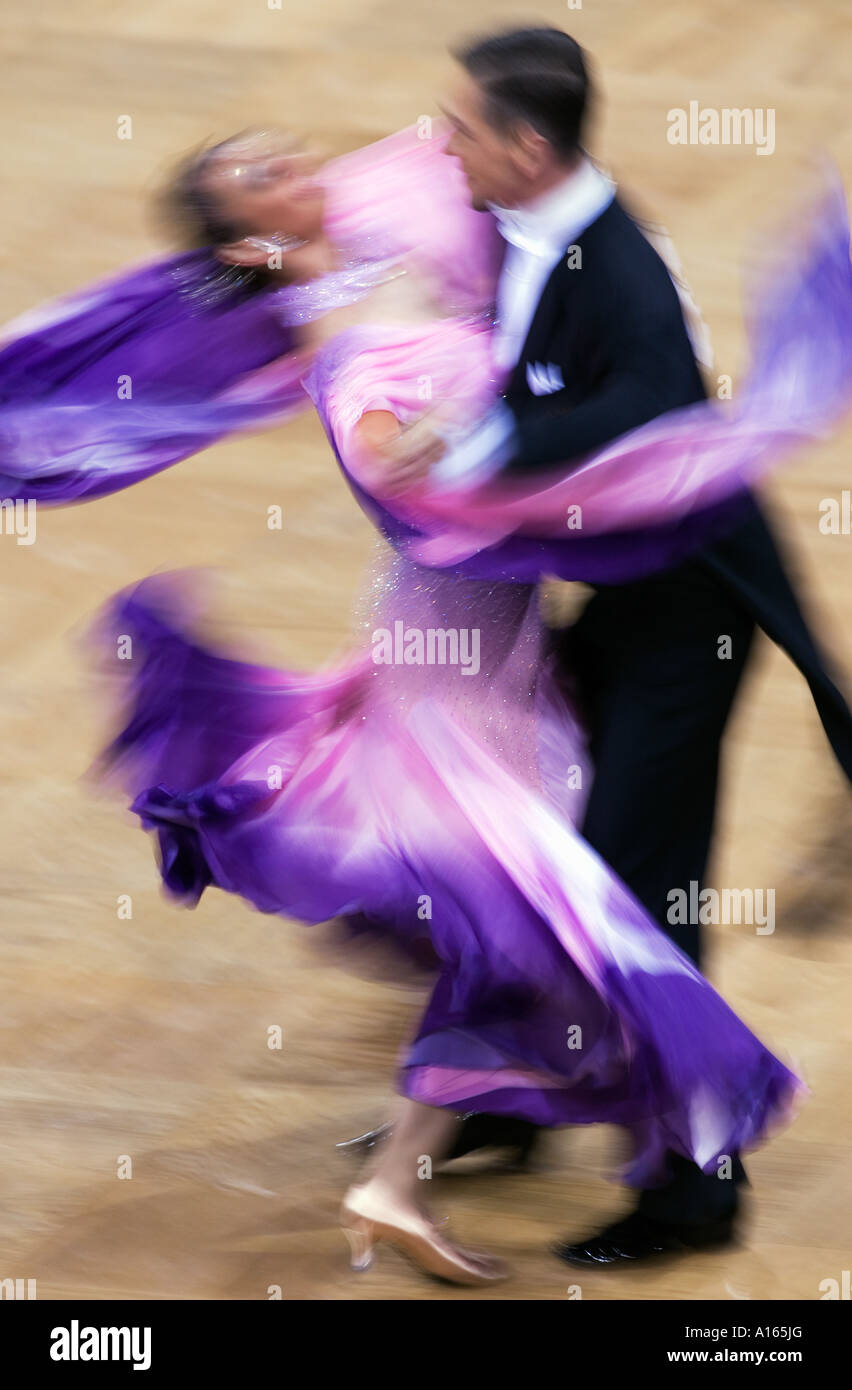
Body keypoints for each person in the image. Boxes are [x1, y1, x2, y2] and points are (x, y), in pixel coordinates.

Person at [3, 110, 850, 1286]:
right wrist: (464, 434)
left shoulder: (391, 249)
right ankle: (456, 1156)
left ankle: (489, 1142)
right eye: (260, 172)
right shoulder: (345, 326)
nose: (296, 161)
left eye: (280, 147)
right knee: (529, 888)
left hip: (525, 633)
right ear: (246, 244)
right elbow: (397, 454)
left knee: (541, 888)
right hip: (465, 645)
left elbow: (453, 236)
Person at [349, 25, 852, 1268]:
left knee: (632, 892)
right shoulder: (520, 222)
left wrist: (468, 444)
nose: (443, 146)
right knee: (523, 847)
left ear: (528, 147)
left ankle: (696, 1190)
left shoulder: (618, 272)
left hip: (688, 628)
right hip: (626, 605)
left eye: (462, 129)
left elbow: (645, 410)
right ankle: (511, 1102)